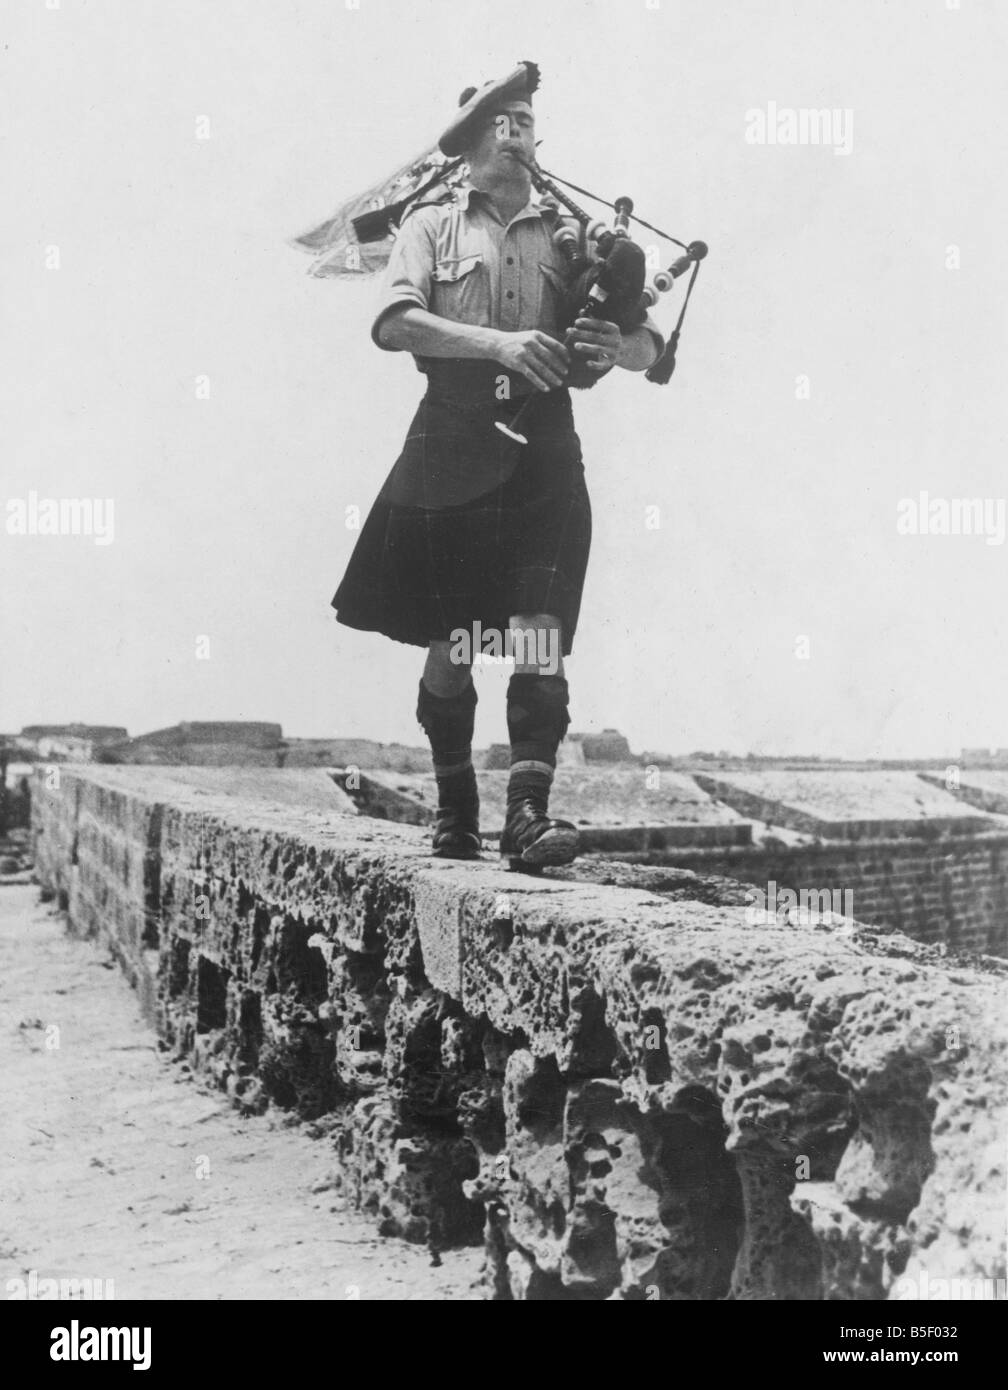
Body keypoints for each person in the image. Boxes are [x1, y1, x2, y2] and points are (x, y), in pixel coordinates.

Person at [333, 64, 663, 870]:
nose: (519, 136)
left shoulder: (575, 235)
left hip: (545, 444)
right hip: (454, 436)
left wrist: (616, 347)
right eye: (503, 123)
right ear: (470, 143)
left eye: (527, 122)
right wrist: (498, 345)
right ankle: (455, 810)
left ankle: (526, 818)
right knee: (454, 640)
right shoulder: (433, 226)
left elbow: (649, 348)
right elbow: (393, 322)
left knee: (539, 634)